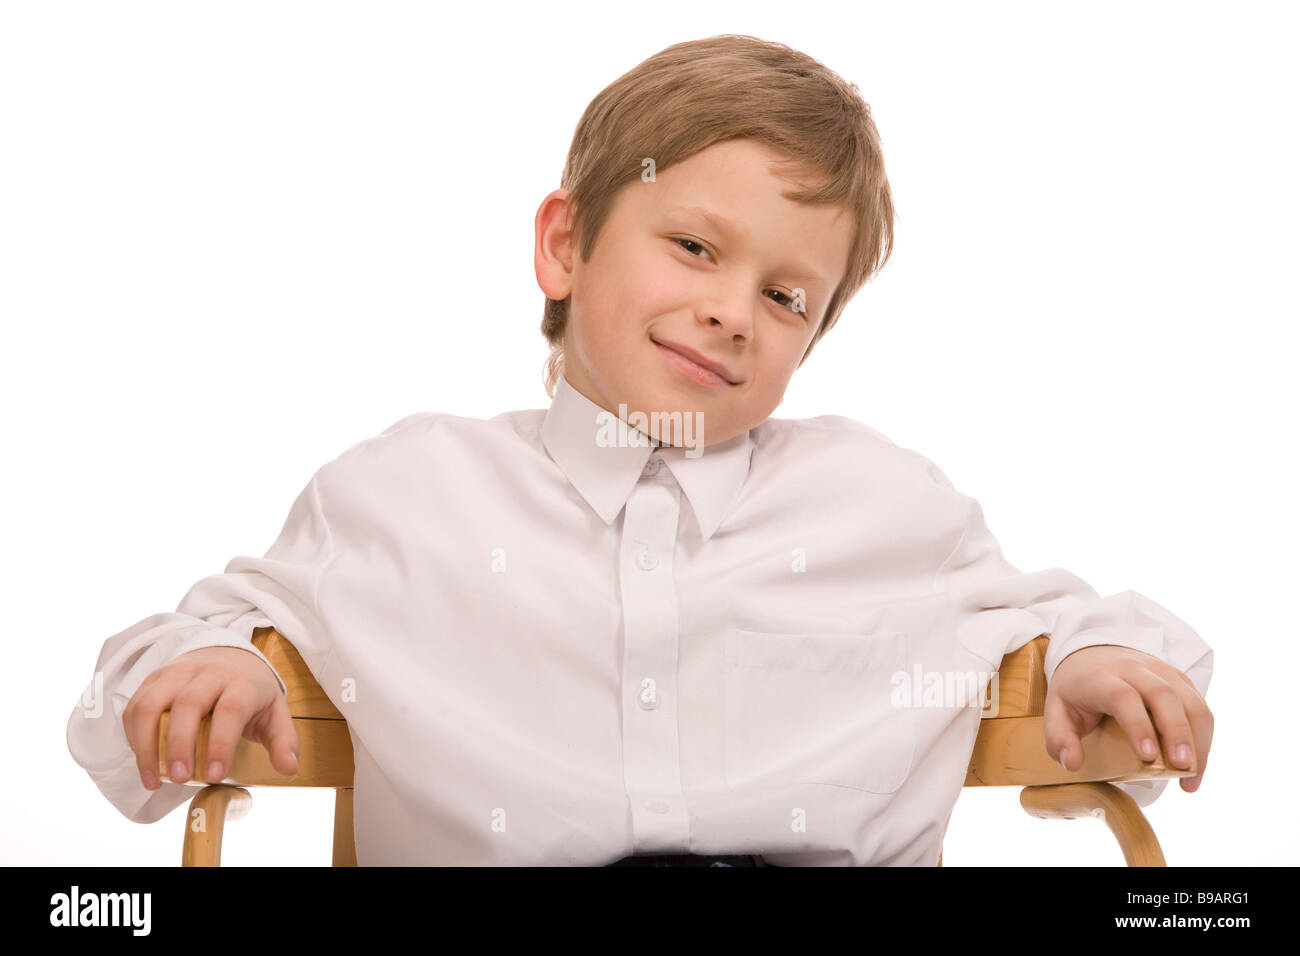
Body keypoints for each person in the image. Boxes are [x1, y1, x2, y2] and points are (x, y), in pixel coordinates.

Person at [67, 34, 1213, 866]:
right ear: (565, 244)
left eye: (786, 295)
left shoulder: (882, 504)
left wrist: (1094, 657)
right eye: (693, 245)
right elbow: (205, 639)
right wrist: (226, 666)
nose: (732, 311)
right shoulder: (405, 493)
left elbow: (1052, 621)